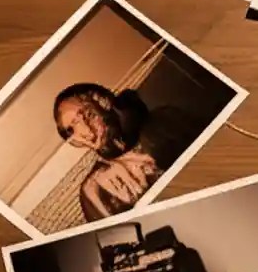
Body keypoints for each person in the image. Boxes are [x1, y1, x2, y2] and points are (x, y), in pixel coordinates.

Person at [53, 83, 199, 222]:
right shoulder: (95, 190)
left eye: (89, 115)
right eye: (71, 129)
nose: (87, 132)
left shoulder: (163, 124)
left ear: (103, 102)